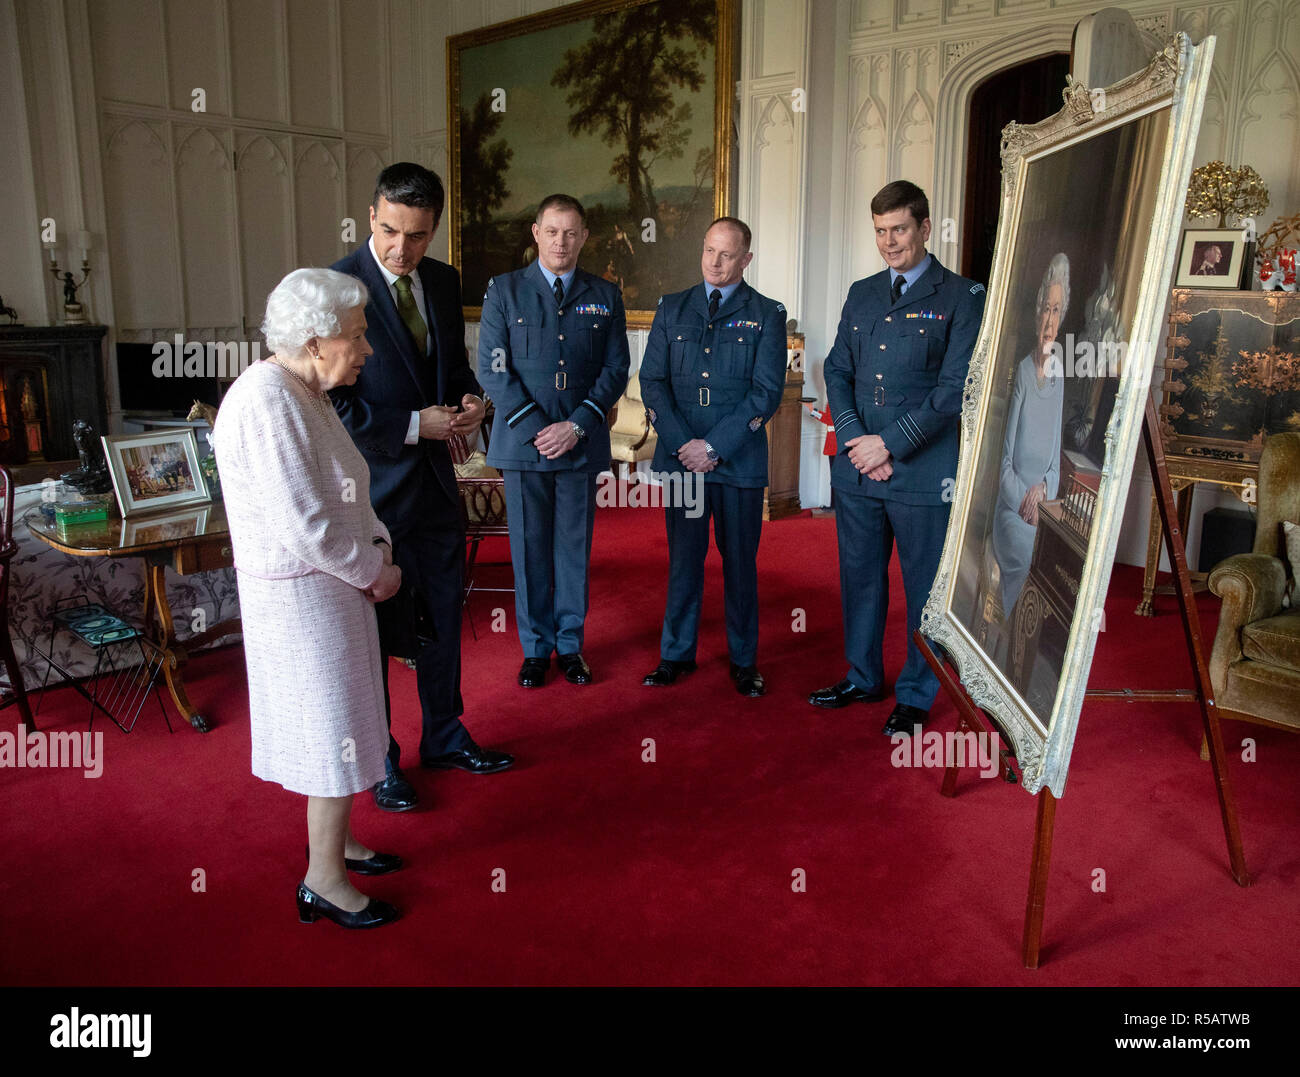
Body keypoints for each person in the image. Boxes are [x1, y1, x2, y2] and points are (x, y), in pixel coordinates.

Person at [214, 267, 403, 929]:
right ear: (317, 339)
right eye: (357, 336)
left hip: (335, 590)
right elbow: (304, 526)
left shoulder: (308, 390)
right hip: (303, 603)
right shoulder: (267, 399)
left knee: (346, 724)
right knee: (331, 734)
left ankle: (339, 843)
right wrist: (375, 571)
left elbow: (349, 488)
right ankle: (323, 881)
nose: (367, 349)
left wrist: (378, 542)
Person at [331, 163, 513, 814]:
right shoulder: (336, 286)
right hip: (371, 496)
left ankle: (445, 733)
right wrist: (414, 424)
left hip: (437, 487)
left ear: (434, 230)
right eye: (388, 231)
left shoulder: (440, 280)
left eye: (416, 236)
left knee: (439, 620)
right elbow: (334, 408)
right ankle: (380, 759)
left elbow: (454, 368)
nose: (399, 250)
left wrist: (469, 402)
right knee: (375, 635)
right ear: (370, 213)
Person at [809, 180, 986, 736]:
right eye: (881, 231)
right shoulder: (862, 292)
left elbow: (954, 390)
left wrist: (891, 443)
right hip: (860, 468)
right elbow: (838, 369)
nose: (889, 242)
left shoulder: (962, 295)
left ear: (925, 228)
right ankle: (862, 676)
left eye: (900, 229)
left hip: (922, 470)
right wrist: (861, 440)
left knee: (923, 589)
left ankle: (915, 693)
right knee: (860, 578)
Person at [477, 194, 630, 688]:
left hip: (579, 443)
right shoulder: (504, 291)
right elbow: (493, 369)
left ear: (584, 236)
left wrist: (578, 425)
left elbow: (615, 369)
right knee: (528, 548)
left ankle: (571, 647)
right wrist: (538, 428)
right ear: (536, 234)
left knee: (572, 549)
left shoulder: (605, 295)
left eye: (571, 232)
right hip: (525, 445)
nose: (561, 241)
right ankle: (535, 649)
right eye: (552, 231)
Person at [638, 216, 787, 696]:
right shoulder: (672, 307)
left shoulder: (766, 313)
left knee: (739, 563)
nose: (715, 262)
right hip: (682, 457)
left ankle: (744, 660)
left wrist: (714, 447)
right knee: (684, 559)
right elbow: (652, 382)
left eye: (727, 255)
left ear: (746, 259)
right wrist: (686, 446)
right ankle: (676, 654)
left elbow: (765, 394)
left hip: (736, 462)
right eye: (709, 251)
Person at [992, 253, 1069, 615]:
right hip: (1012, 511)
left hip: (1042, 508)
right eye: (1045, 310)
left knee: (1060, 568)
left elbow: (1054, 465)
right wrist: (1025, 501)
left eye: (1056, 311)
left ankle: (1030, 658)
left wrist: (1043, 493)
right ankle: (1007, 654)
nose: (1049, 320)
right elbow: (1003, 463)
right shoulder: (1022, 373)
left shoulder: (1059, 377)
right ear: (1036, 314)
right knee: (1026, 562)